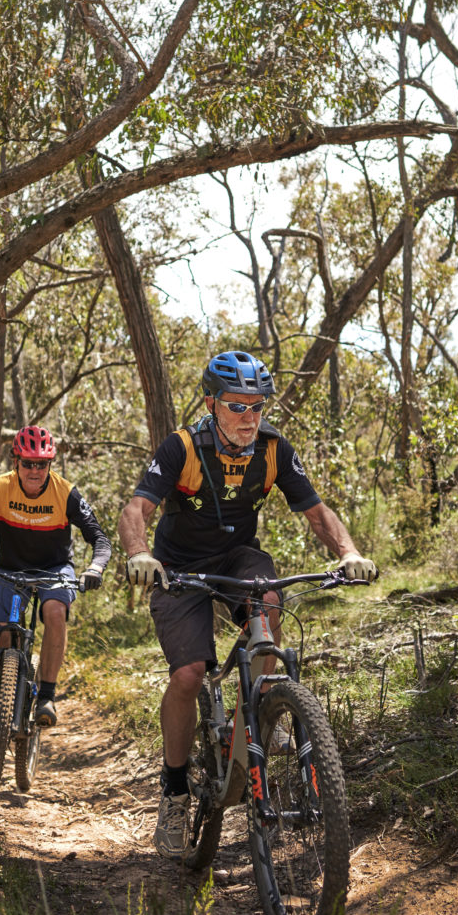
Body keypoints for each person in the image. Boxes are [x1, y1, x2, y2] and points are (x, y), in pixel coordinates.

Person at [116, 350, 377, 858]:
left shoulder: (274, 450)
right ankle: (173, 791)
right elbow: (135, 509)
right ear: (212, 403)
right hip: (178, 566)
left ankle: (252, 718)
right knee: (189, 674)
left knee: (270, 602)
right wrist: (139, 553)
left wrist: (349, 552)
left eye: (257, 406)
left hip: (237, 557)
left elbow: (316, 511)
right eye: (237, 406)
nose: (248, 418)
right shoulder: (183, 448)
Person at [0, 425, 110, 729]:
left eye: (41, 464)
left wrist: (95, 568)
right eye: (28, 463)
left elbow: (99, 538)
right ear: (15, 461)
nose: (34, 470)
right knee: (0, 632)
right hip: (11, 570)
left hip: (54, 569)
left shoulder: (65, 493)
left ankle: (46, 695)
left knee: (55, 611)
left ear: (50, 464)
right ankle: (6, 696)